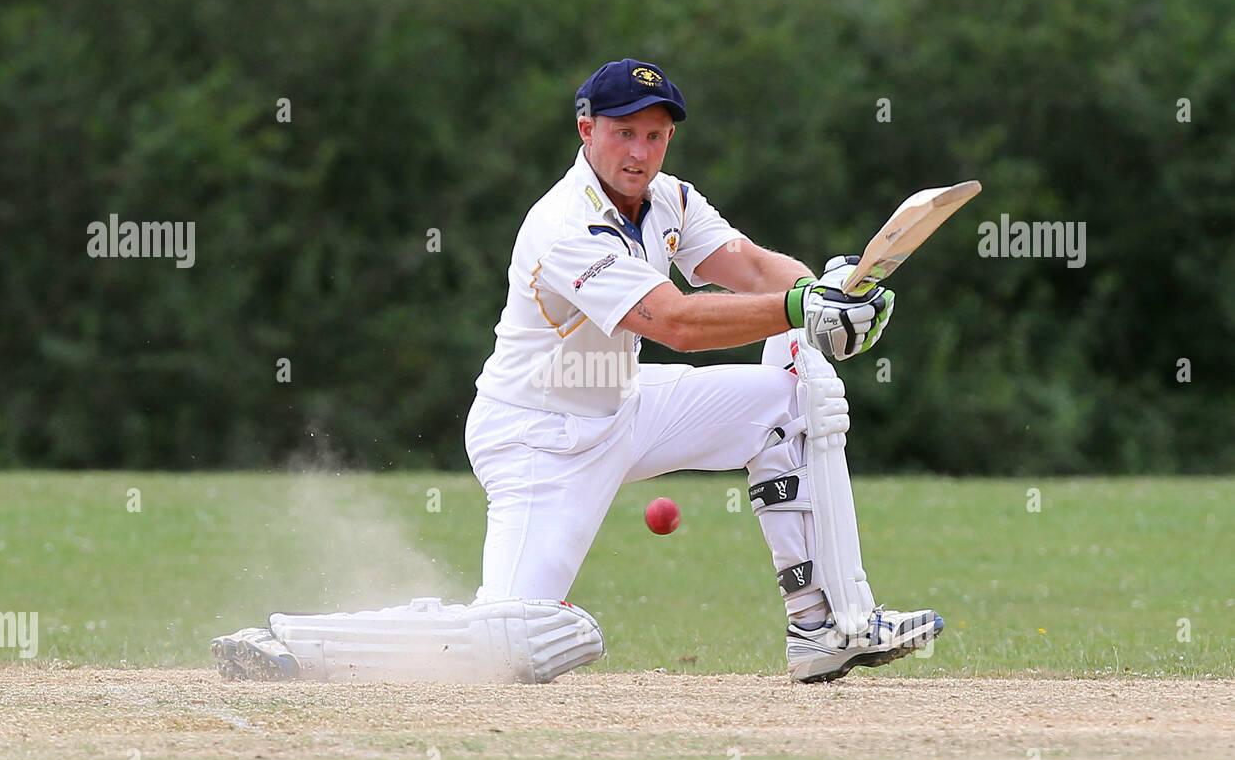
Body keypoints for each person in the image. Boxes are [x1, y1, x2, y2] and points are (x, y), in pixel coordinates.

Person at [212, 58, 942, 685]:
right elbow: (675, 323)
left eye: (655, 135)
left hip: (621, 404)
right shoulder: (565, 225)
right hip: (538, 436)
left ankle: (824, 626)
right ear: (586, 129)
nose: (641, 152)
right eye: (625, 132)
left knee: (790, 401)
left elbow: (749, 267)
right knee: (510, 643)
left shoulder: (669, 199)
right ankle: (290, 642)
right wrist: (799, 305)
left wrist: (829, 293)